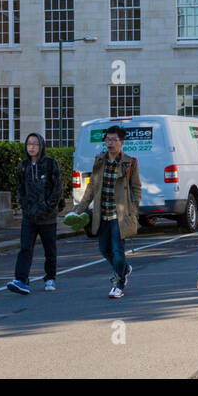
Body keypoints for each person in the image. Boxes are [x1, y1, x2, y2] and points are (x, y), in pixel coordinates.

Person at [71, 124, 141, 298]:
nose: (110, 143)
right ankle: (124, 268)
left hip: (120, 215)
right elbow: (92, 188)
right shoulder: (99, 160)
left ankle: (118, 284)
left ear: (121, 142)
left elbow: (136, 187)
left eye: (114, 140)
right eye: (108, 139)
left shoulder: (130, 162)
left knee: (118, 250)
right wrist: (81, 208)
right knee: (104, 249)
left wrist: (133, 208)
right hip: (102, 214)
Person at [8, 132, 63, 294]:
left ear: (41, 146)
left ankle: (50, 277)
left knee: (49, 249)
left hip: (47, 217)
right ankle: (21, 279)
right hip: (29, 216)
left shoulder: (51, 164)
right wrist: (25, 207)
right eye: (29, 144)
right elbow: (21, 189)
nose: (31, 147)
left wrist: (48, 206)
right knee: (25, 247)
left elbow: (57, 188)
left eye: (35, 144)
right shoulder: (23, 166)